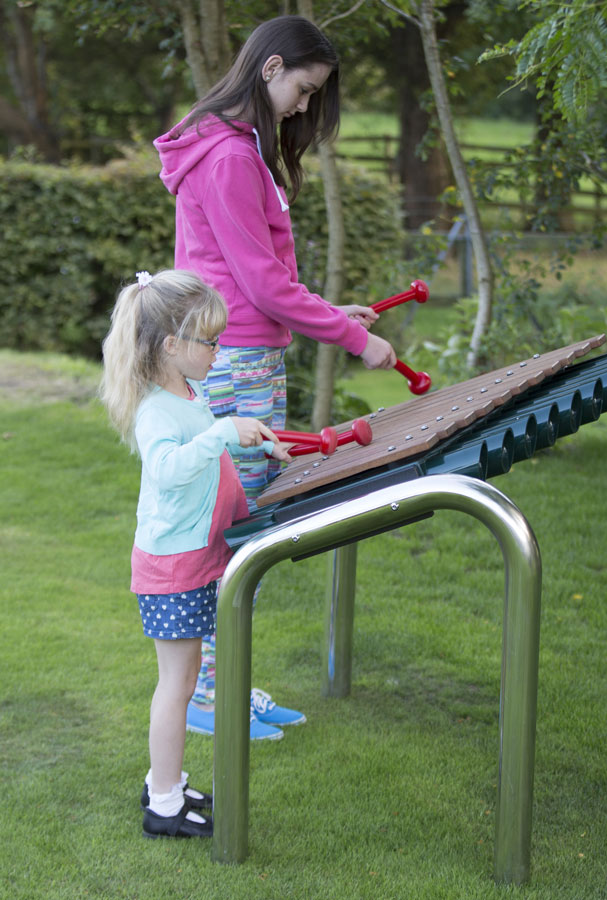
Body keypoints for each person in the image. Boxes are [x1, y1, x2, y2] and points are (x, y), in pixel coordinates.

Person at [154, 15, 397, 740]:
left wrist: (327, 309)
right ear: (270, 68)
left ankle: (219, 680)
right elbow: (258, 284)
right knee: (231, 527)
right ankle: (205, 696)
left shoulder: (236, 150)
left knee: (239, 522)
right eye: (302, 89)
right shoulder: (229, 158)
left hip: (242, 355)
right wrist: (353, 338)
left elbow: (253, 272)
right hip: (234, 363)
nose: (302, 106)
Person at [99, 270, 290, 838]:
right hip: (173, 567)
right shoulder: (158, 409)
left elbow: (208, 456)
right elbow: (167, 470)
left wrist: (250, 437)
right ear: (171, 346)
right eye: (210, 341)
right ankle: (163, 804)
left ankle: (169, 782)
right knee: (177, 686)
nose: (218, 350)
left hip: (195, 556)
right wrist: (222, 434)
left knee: (181, 683)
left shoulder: (188, 394)